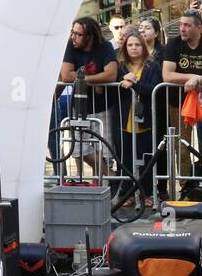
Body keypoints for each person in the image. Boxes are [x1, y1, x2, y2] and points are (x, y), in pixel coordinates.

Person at [161, 8, 202, 197]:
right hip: (178, 103)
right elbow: (167, 75)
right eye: (181, 24)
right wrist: (195, 77)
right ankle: (186, 187)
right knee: (181, 146)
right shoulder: (173, 44)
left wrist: (198, 80)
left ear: (199, 27)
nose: (182, 29)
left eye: (187, 25)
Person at [54, 17, 118, 172]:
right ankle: (111, 176)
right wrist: (95, 80)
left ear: (89, 36)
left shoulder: (105, 47)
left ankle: (105, 185)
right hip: (79, 108)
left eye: (78, 34)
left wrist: (81, 79)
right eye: (72, 33)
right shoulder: (71, 45)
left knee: (105, 152)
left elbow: (111, 75)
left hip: (103, 106)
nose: (73, 37)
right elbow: (66, 75)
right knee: (77, 149)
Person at [116, 28, 162, 208]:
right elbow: (116, 86)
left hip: (146, 119)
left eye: (137, 45)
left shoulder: (153, 66)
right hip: (125, 118)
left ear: (143, 47)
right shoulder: (121, 66)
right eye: (130, 45)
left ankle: (147, 193)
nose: (133, 48)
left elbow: (155, 89)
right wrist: (123, 80)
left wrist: (135, 83)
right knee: (125, 158)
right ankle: (127, 193)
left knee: (146, 157)